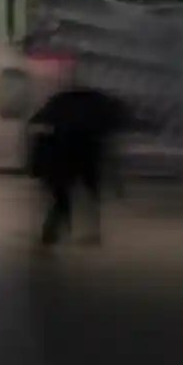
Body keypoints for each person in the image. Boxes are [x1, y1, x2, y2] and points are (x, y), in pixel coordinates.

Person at [31, 79, 129, 246]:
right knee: (91, 196)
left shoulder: (61, 107)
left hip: (63, 159)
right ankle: (92, 233)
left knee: (61, 199)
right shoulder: (98, 111)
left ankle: (51, 232)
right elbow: (109, 139)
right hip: (88, 158)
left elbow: (39, 122)